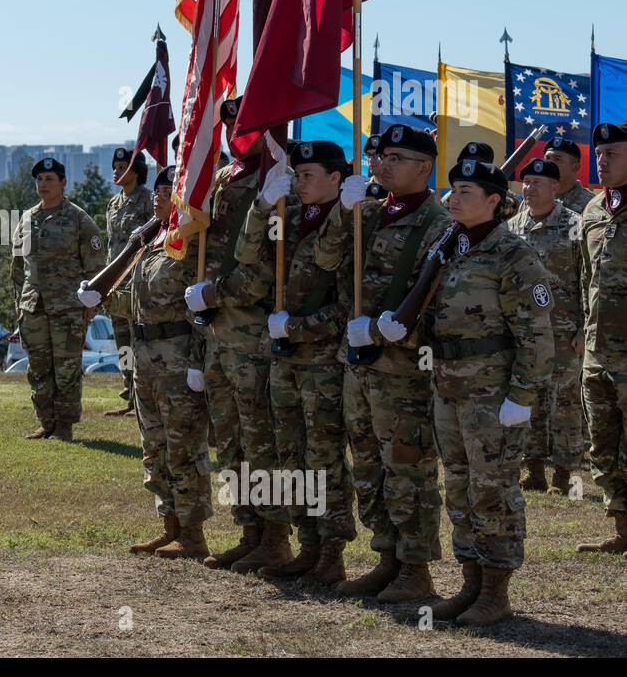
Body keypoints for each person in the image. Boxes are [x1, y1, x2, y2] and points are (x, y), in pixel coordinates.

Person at [378, 158, 554, 625]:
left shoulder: (514, 254)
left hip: (492, 392)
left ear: (494, 201)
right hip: (448, 385)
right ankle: (470, 584)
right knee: (458, 487)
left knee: (492, 491)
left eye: (466, 192)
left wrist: (522, 395)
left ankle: (496, 592)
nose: (453, 198)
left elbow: (537, 334)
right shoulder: (448, 246)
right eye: (452, 190)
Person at [313, 123, 451, 602]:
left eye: (396, 157)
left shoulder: (441, 223)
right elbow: (327, 259)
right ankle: (386, 557)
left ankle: (416, 568)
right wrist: (341, 212)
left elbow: (437, 301)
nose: (382, 163)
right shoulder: (367, 214)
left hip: (405, 369)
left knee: (408, 466)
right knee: (369, 465)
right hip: (359, 366)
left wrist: (380, 330)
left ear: (424, 167)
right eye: (381, 156)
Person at [235, 140, 356, 585]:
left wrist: (299, 328)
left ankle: (332, 551)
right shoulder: (288, 217)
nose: (300, 182)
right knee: (292, 455)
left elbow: (349, 303)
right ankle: (307, 544)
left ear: (335, 179)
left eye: (308, 175)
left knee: (325, 457)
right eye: (297, 174)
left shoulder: (354, 219)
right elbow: (247, 255)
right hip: (285, 359)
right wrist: (263, 204)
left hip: (321, 359)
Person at [81, 166, 214, 556]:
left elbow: (201, 312)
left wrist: (196, 362)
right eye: (156, 190)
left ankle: (193, 535)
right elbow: (135, 301)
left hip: (176, 357)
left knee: (183, 447)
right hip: (144, 358)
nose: (157, 196)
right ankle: (169, 525)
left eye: (167, 190)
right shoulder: (149, 241)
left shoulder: (191, 243)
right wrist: (99, 296)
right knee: (154, 446)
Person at [184, 110, 290, 571]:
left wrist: (217, 292)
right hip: (218, 331)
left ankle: (275, 535)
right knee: (228, 439)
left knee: (260, 437)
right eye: (231, 127)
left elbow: (267, 268)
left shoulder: (273, 181)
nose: (236, 134)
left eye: (247, 127)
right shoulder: (221, 179)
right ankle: (247, 529)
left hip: (252, 330)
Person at [12, 157, 107, 442]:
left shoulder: (79, 219)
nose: (43, 184)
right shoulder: (27, 218)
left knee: (66, 369)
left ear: (63, 182)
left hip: (67, 308)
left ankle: (64, 426)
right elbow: (17, 268)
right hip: (33, 306)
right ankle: (46, 422)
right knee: (38, 368)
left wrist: (91, 307)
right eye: (39, 179)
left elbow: (97, 267)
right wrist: (18, 307)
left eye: (49, 179)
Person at [509, 158, 584, 494]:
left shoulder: (575, 225)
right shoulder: (513, 226)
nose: (529, 188)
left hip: (564, 331)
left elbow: (588, 278)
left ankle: (564, 473)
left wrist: (583, 327)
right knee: (531, 399)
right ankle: (534, 469)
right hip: (526, 332)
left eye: (537, 182)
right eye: (526, 182)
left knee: (565, 403)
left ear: (555, 186)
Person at [576, 122, 627, 556]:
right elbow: (584, 277)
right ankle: (623, 527)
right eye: (599, 153)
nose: (602, 161)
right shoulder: (594, 209)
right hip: (598, 349)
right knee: (602, 441)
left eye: (613, 153)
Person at [103, 148, 154, 417]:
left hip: (138, 281)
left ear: (136, 171)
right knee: (123, 342)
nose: (117, 171)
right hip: (116, 283)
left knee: (138, 339)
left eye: (123, 166)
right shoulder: (113, 203)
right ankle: (128, 393)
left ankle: (141, 397)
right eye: (115, 166)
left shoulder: (148, 201)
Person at [543, 135, 596, 215]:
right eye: (547, 158)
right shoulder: (535, 196)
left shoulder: (592, 204)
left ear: (576, 167)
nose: (549, 163)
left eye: (557, 159)